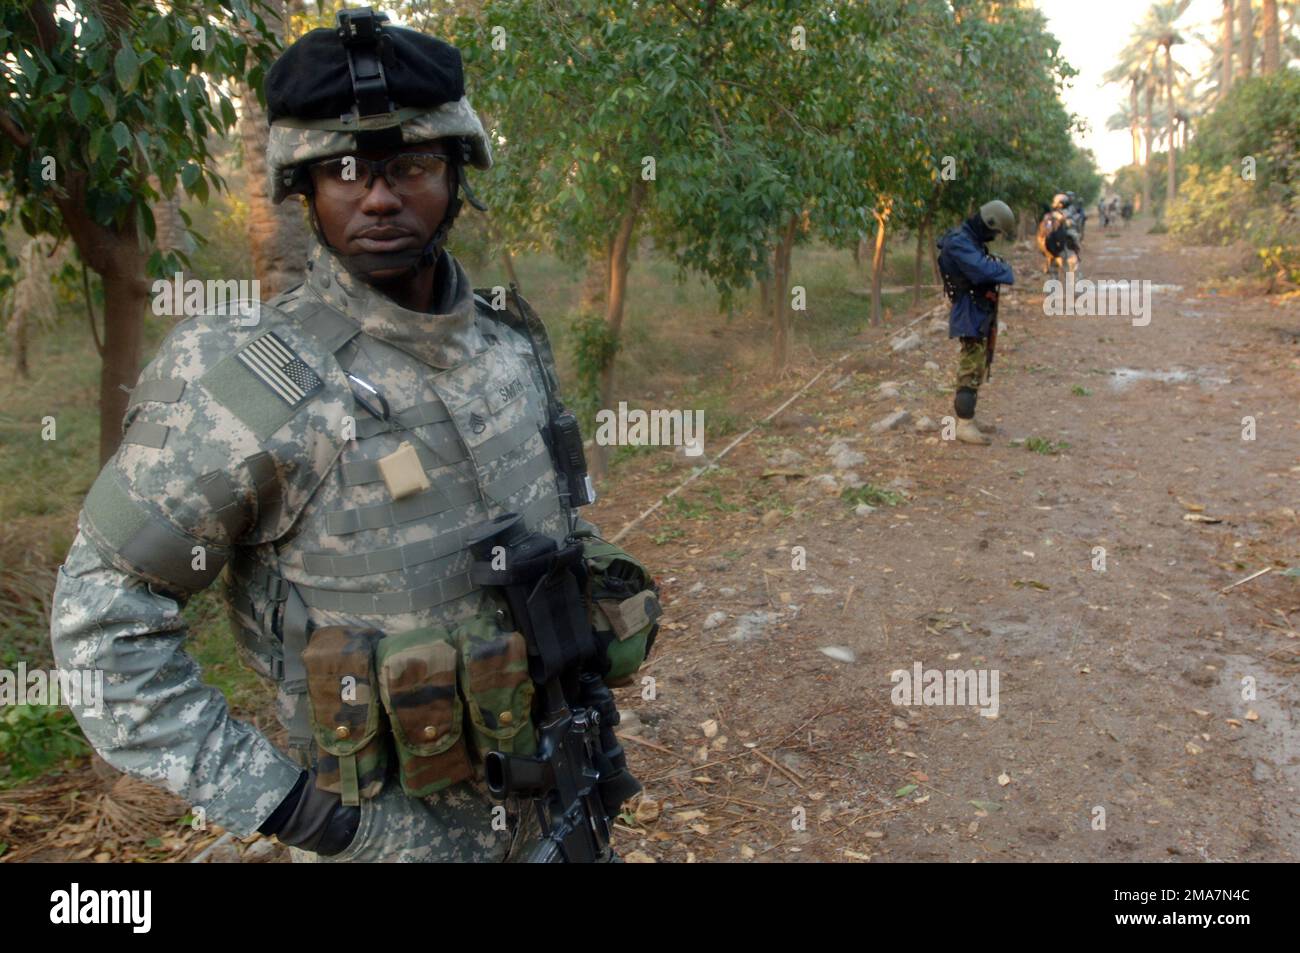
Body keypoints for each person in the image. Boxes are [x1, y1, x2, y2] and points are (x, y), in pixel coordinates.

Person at [49, 8, 654, 863]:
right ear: (304, 190)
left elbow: (559, 527)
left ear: (458, 174)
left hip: (561, 799)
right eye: (343, 172)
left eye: (410, 165)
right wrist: (294, 809)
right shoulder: (249, 380)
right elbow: (101, 618)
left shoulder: (507, 342)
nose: (378, 195)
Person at [935, 201, 1016, 446]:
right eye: (995, 231)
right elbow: (986, 271)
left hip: (978, 308)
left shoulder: (970, 240)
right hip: (969, 310)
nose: (994, 236)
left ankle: (968, 418)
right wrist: (1000, 268)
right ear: (988, 222)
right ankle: (963, 424)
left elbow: (992, 268)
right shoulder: (960, 242)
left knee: (979, 363)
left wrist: (997, 267)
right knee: (970, 366)